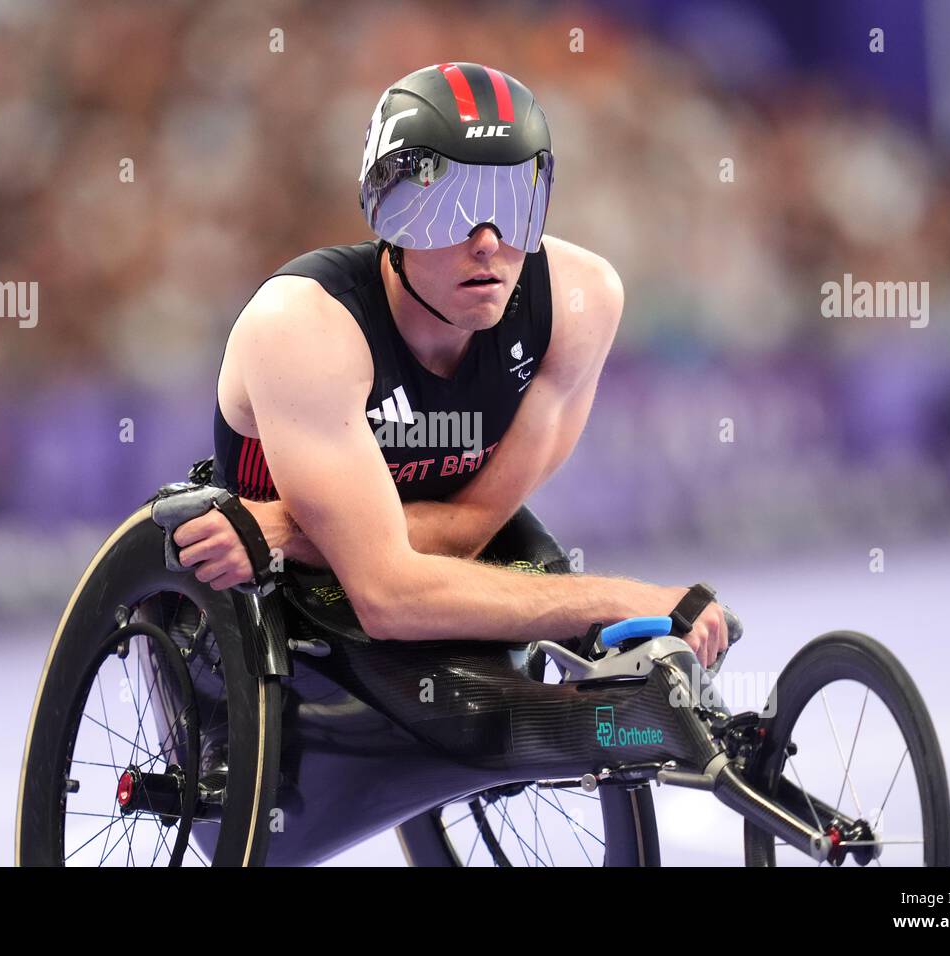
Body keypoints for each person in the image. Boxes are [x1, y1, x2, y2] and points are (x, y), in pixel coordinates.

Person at [173, 62, 728, 666]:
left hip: (431, 555)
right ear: (392, 218)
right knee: (596, 613)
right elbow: (388, 597)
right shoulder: (302, 325)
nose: (488, 241)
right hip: (281, 591)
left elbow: (470, 528)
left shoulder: (580, 299)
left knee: (635, 675)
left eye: (511, 204)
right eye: (453, 207)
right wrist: (621, 595)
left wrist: (285, 528)